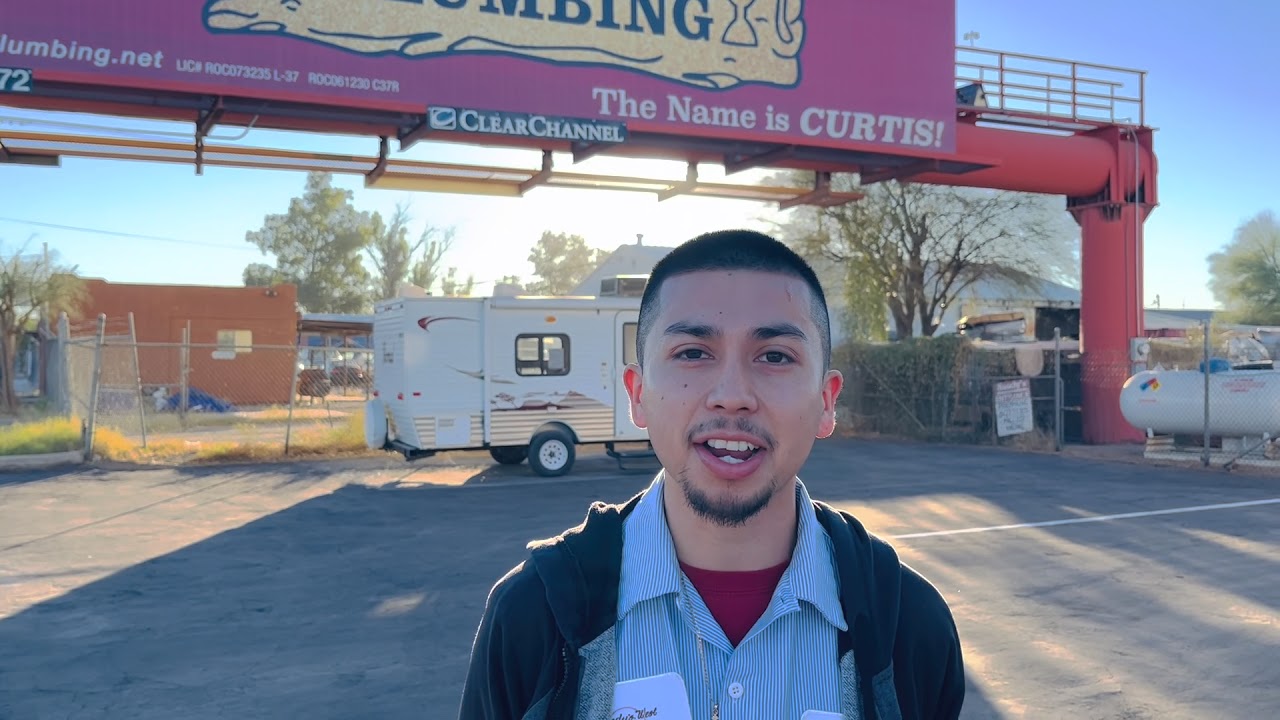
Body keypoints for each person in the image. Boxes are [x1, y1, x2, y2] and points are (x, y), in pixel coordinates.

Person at [458, 229, 965, 720]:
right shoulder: (532, 618)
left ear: (826, 402)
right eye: (693, 353)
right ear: (638, 395)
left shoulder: (912, 627)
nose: (732, 393)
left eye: (774, 356)